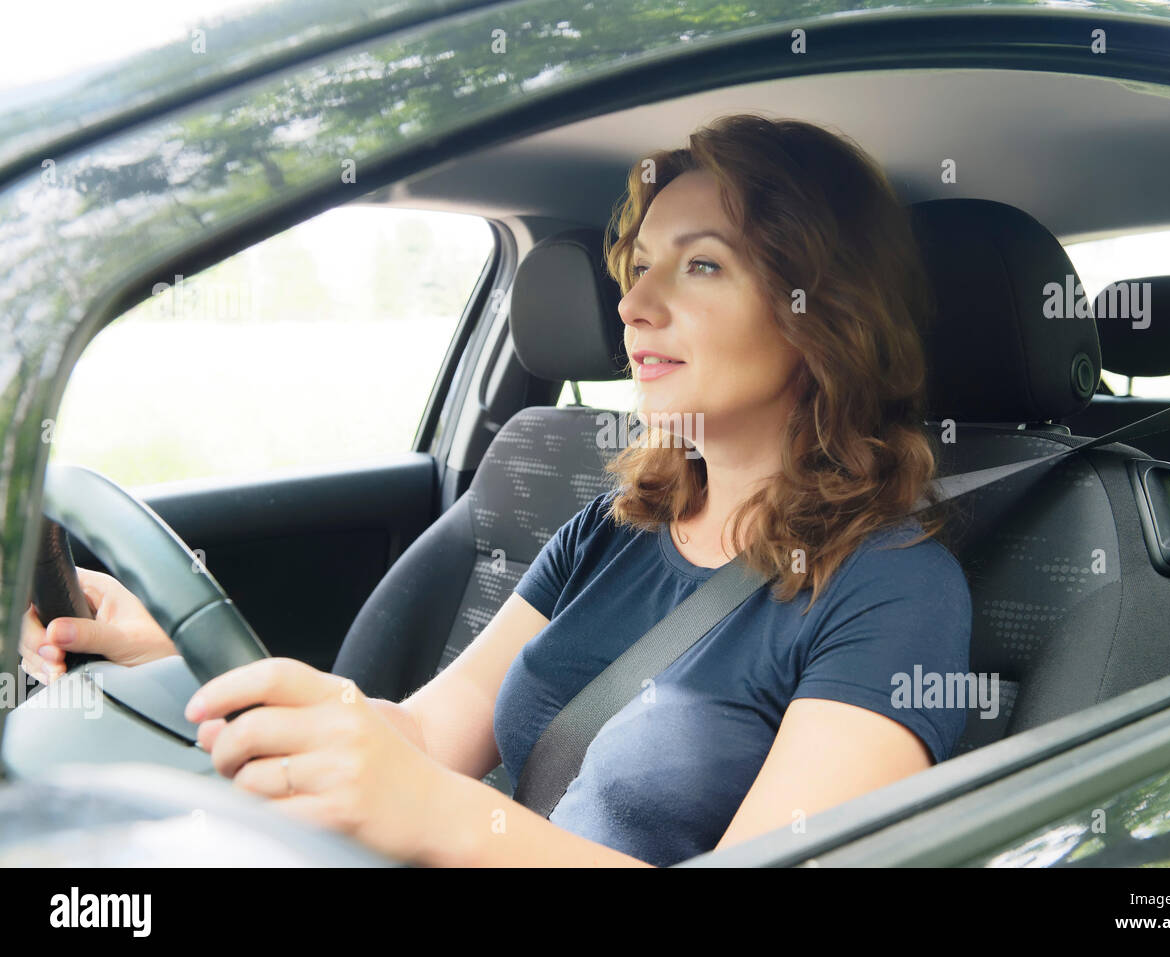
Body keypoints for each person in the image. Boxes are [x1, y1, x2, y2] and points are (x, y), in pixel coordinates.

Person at [19, 113, 972, 867]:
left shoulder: (890, 587)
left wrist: (441, 818)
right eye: (639, 268)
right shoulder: (614, 527)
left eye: (703, 265)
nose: (636, 305)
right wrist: (195, 673)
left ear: (823, 313)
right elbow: (421, 735)